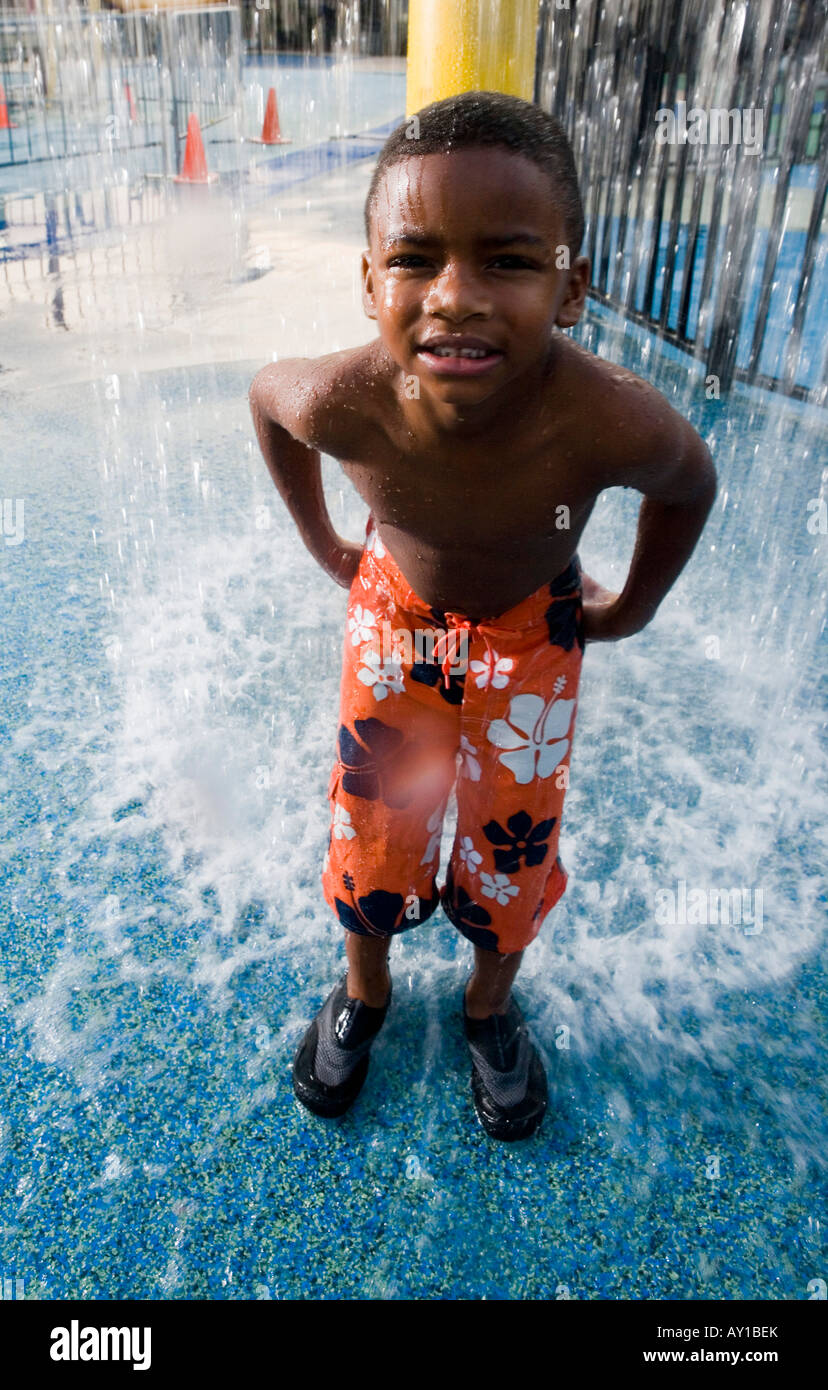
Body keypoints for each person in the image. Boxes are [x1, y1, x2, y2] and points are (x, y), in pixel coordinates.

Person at [249, 91, 717, 1141]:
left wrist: (632, 609)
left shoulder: (604, 417)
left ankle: (488, 1006)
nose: (455, 296)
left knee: (515, 840)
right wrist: (328, 543)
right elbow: (266, 403)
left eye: (508, 261)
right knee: (376, 828)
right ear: (370, 281)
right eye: (415, 260)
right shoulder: (346, 396)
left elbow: (690, 483)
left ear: (570, 287)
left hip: (532, 632)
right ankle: (365, 989)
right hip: (394, 621)